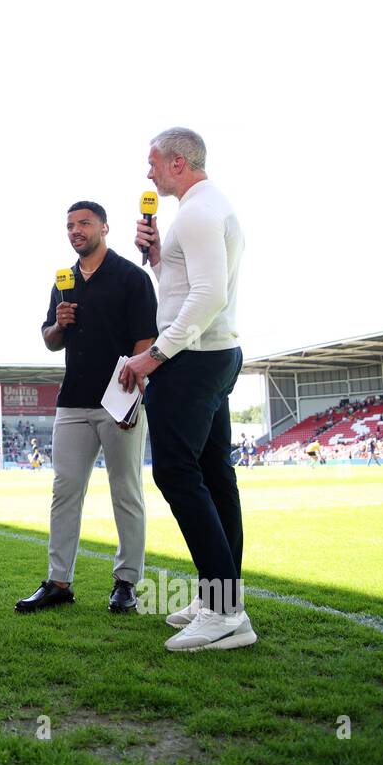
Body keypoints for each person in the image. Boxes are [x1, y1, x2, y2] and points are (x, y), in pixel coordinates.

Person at [119, 128, 252, 652]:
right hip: (214, 354)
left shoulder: (197, 212)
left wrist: (153, 355)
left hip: (194, 360)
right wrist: (156, 258)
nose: (147, 172)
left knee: (177, 471)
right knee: (216, 476)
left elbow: (208, 296)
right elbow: (184, 288)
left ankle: (224, 612)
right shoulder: (203, 209)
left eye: (152, 163)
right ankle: (219, 595)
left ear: (178, 162)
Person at [17, 200, 158, 615]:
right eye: (70, 225)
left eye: (84, 223)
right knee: (64, 492)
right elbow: (50, 338)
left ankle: (126, 582)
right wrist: (60, 323)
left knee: (126, 492)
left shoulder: (131, 277)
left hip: (118, 399)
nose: (76, 230)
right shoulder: (64, 281)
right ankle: (58, 581)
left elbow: (146, 339)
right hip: (73, 402)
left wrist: (135, 385)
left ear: (104, 228)